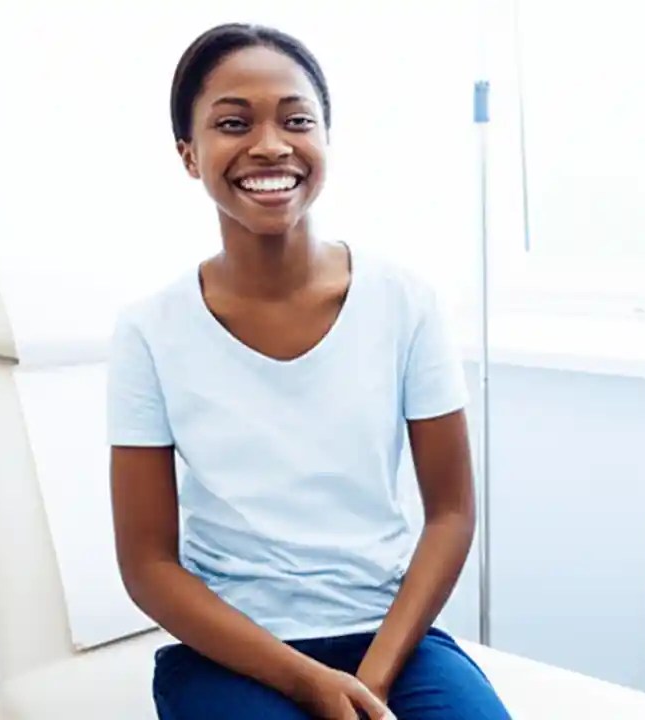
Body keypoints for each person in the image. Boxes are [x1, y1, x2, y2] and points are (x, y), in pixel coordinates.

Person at [106, 23, 511, 720]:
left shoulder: (405, 301)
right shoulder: (150, 330)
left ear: (325, 140)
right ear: (188, 155)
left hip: (389, 638)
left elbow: (450, 512)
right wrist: (309, 684)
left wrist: (373, 680)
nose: (270, 144)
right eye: (233, 123)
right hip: (229, 653)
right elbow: (149, 566)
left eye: (297, 120)